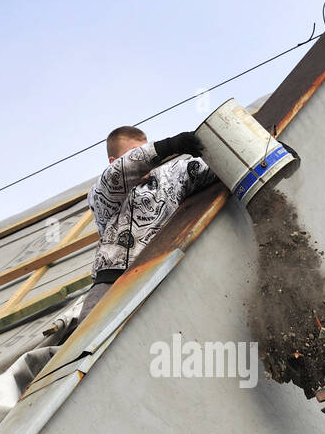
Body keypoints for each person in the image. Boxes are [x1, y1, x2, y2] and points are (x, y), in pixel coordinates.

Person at [75, 125, 218, 324]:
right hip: (110, 285)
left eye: (146, 150)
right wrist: (171, 145)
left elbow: (210, 167)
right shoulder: (102, 193)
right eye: (135, 154)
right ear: (113, 161)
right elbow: (119, 172)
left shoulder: (170, 175)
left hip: (161, 276)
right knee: (87, 347)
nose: (146, 162)